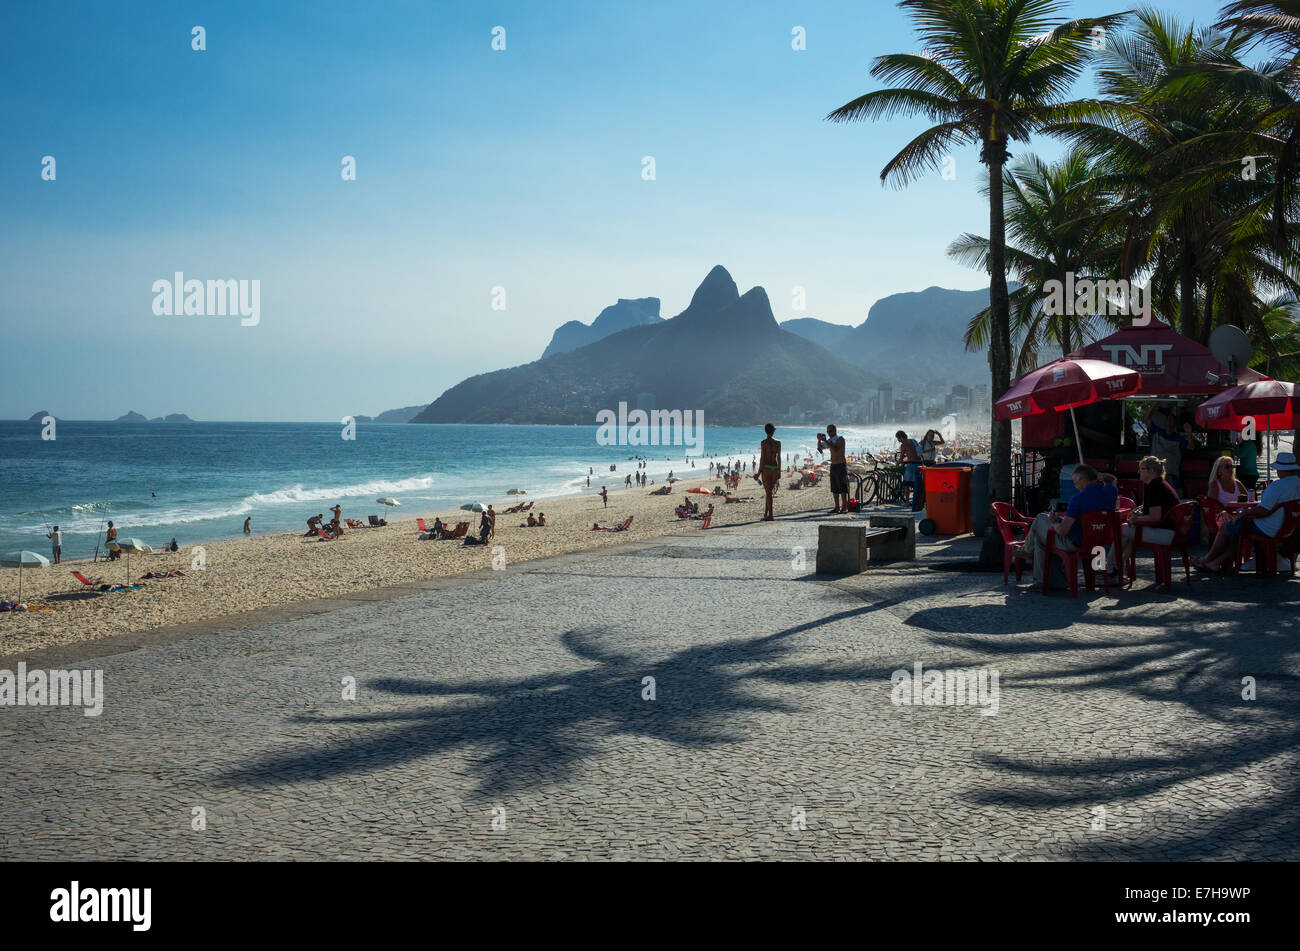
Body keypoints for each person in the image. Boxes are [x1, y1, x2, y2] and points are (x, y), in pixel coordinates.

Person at [1197, 452, 1300, 571]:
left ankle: (1206, 560)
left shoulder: (1277, 486)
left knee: (1227, 527)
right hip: (1288, 528)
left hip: (1268, 527)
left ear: (1280, 470)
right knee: (1236, 529)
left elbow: (1262, 510)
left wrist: (1244, 513)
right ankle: (1215, 562)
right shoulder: (1297, 483)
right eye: (1227, 467)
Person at [1022, 465, 1117, 586]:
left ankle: (1027, 551)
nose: (1075, 486)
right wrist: (1101, 476)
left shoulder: (1078, 499)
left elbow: (1062, 531)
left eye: (1075, 482)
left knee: (1041, 518)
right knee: (1040, 539)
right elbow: (1113, 479)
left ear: (1083, 480)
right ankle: (1050, 581)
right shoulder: (1110, 492)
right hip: (1097, 543)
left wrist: (1054, 522)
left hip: (1076, 543)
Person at [1110, 455, 1179, 576]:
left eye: (1141, 468)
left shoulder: (1154, 487)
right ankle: (1115, 570)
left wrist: (1135, 520)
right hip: (1172, 531)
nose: (1138, 471)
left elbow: (1155, 517)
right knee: (1128, 533)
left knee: (1122, 529)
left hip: (1165, 533)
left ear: (1151, 471)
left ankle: (1110, 569)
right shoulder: (1161, 484)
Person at [1145, 405, 1188, 490]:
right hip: (1155, 473)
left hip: (1172, 475)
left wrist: (1189, 433)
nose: (1169, 421)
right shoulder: (1157, 432)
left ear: (1175, 424)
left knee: (1173, 498)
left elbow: (1191, 447)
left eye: (1172, 420)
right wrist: (1155, 403)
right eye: (1168, 419)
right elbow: (1147, 419)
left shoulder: (1179, 439)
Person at [817, 424, 849, 514]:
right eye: (827, 432)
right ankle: (836, 507)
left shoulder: (840, 439)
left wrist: (825, 441)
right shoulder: (829, 440)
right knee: (834, 487)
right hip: (833, 465)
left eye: (830, 431)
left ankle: (844, 507)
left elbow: (835, 449)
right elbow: (820, 448)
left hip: (841, 464)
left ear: (835, 430)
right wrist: (819, 440)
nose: (829, 433)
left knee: (843, 487)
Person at [896, 431, 924, 512]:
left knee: (906, 483)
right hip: (920, 463)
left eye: (898, 439)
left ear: (901, 437)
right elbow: (916, 452)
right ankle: (919, 501)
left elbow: (901, 459)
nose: (898, 441)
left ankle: (907, 502)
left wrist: (897, 464)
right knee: (918, 484)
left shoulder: (904, 444)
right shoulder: (913, 440)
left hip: (912, 465)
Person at [759, 423, 781, 521]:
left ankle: (771, 516)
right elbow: (779, 457)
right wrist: (779, 470)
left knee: (768, 493)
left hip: (766, 469)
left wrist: (759, 472)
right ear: (773, 431)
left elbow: (762, 458)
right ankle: (766, 514)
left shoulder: (764, 443)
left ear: (765, 431)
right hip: (774, 468)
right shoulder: (778, 443)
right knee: (769, 493)